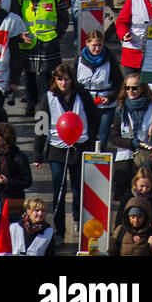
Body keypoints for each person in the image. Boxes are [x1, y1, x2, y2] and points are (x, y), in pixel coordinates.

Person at [34, 63, 96, 244]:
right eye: (60, 79)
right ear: (55, 80)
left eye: (66, 79)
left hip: (79, 148)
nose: (63, 82)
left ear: (71, 79)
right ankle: (59, 230)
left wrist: (92, 139)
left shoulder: (82, 95)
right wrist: (38, 154)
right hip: (57, 150)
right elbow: (41, 126)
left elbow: (94, 117)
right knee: (58, 191)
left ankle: (77, 218)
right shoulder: (47, 98)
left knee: (78, 190)